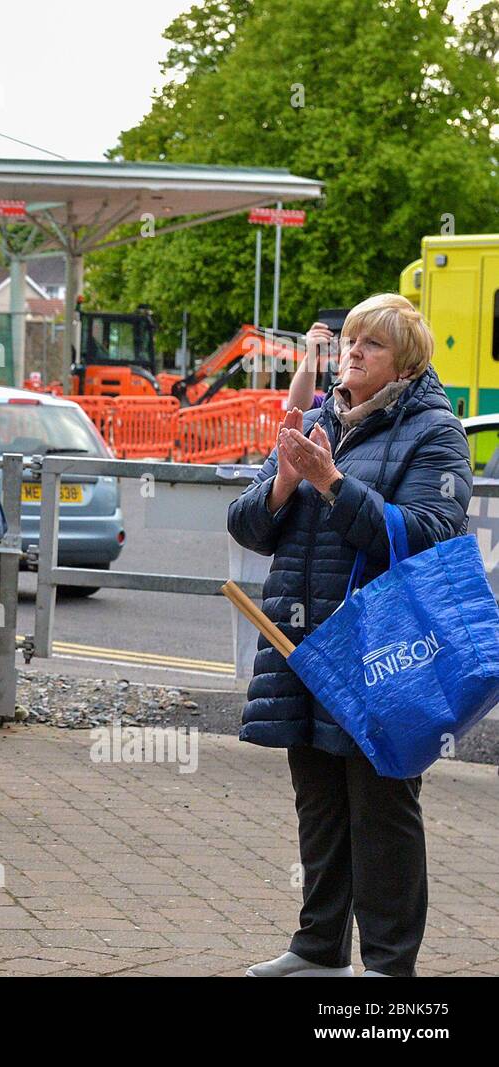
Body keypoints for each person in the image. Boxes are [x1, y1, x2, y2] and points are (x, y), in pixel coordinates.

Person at [227, 293, 471, 977]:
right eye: (349, 341)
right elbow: (247, 525)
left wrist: (333, 482)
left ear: (405, 362)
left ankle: (390, 968)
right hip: (304, 649)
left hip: (380, 652)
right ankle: (317, 949)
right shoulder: (314, 419)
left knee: (382, 809)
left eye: (370, 344)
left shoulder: (435, 432)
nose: (351, 352)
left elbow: (427, 535)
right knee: (320, 803)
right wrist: (280, 485)